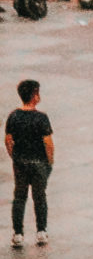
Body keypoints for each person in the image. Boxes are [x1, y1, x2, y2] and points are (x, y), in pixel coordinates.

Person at [5, 80, 52, 249]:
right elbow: (48, 143)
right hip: (38, 161)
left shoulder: (13, 116)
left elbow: (8, 140)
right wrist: (49, 161)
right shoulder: (41, 118)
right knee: (39, 197)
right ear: (34, 96)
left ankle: (18, 233)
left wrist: (14, 156)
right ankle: (41, 231)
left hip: (20, 162)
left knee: (19, 197)